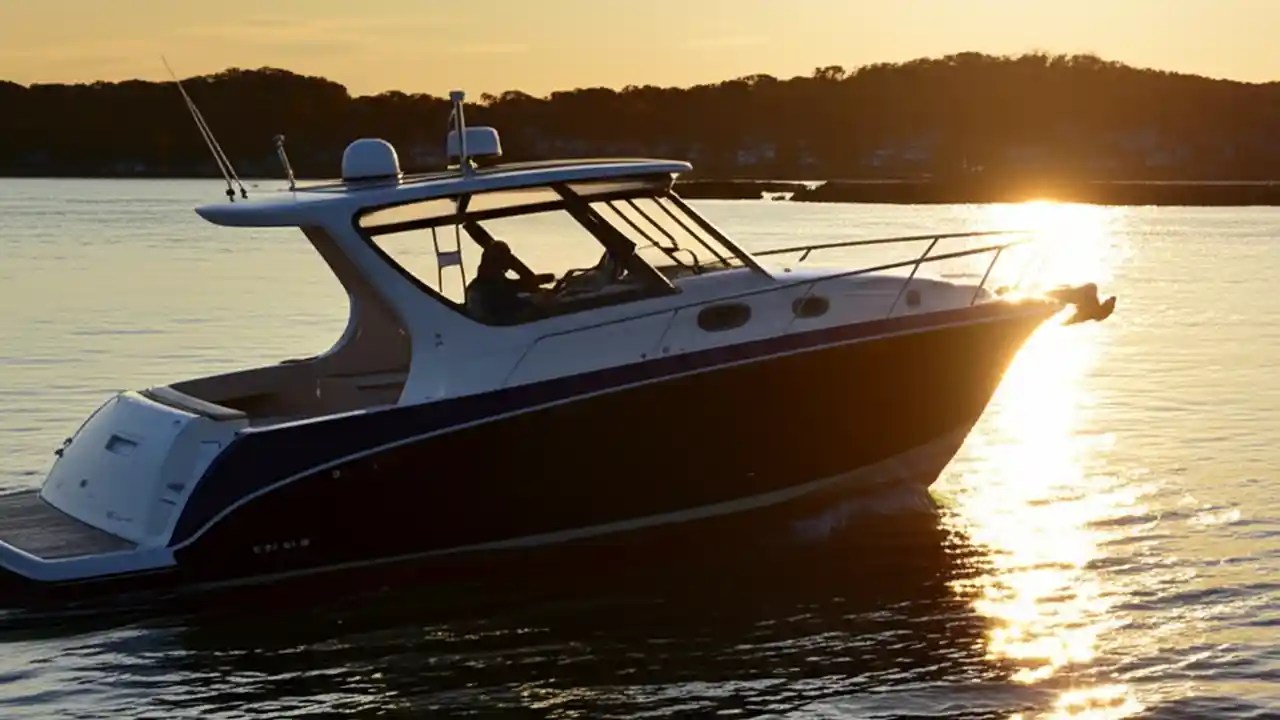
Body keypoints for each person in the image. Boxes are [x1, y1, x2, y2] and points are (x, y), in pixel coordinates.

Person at [464, 240, 554, 323]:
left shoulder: (487, 283)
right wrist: (538, 301)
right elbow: (513, 305)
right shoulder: (486, 291)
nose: (507, 265)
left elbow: (513, 286)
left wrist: (540, 281)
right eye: (504, 260)